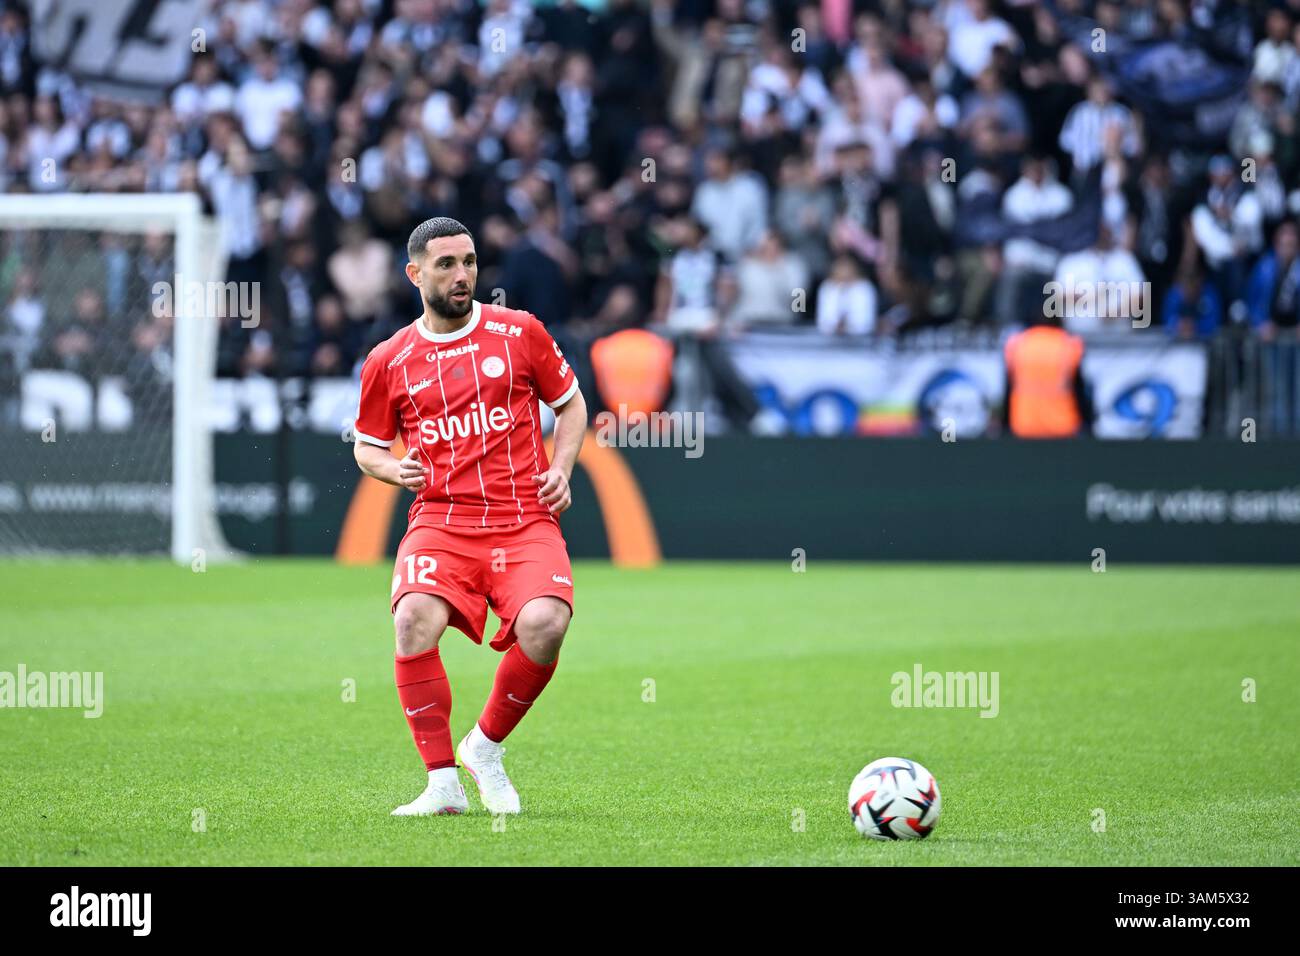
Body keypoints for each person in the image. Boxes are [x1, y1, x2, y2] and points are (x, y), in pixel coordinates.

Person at [352, 216, 588, 816]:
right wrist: (388, 470)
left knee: (546, 625)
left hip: (522, 516)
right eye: (447, 265)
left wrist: (561, 467)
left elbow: (571, 403)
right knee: (412, 621)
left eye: (470, 262)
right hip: (441, 519)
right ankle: (442, 784)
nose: (463, 276)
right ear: (414, 274)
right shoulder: (389, 359)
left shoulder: (520, 332)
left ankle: (483, 748)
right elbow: (367, 445)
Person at [1002, 313, 1091, 438]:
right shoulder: (1069, 344)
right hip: (1063, 426)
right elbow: (1079, 391)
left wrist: (1004, 426)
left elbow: (1008, 389)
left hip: (1023, 426)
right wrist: (1088, 425)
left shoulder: (1017, 344)